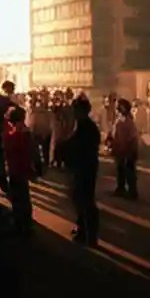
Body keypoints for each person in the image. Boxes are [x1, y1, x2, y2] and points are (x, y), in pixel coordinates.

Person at [60, 95, 100, 247]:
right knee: (78, 199)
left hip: (85, 168)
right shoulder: (81, 125)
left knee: (85, 200)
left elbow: (80, 147)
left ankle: (89, 235)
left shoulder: (87, 127)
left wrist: (65, 147)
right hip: (81, 167)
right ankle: (83, 228)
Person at [3, 106, 36, 235]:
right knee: (24, 197)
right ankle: (26, 223)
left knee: (18, 197)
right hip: (22, 169)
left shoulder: (14, 135)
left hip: (15, 169)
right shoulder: (26, 133)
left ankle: (20, 224)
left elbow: (9, 151)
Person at [110, 98, 140, 200]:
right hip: (120, 150)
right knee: (120, 170)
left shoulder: (127, 121)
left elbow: (132, 137)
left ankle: (132, 191)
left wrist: (131, 150)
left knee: (129, 171)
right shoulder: (120, 120)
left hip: (127, 150)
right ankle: (121, 188)